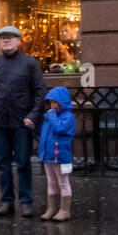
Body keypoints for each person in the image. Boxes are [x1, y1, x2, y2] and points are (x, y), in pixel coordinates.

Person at [0, 26, 47, 217]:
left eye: (10, 37)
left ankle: (25, 202)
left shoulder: (29, 63)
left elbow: (40, 92)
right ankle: (6, 202)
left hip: (22, 123)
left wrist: (32, 116)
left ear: (19, 41)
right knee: (2, 164)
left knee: (24, 163)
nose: (6, 41)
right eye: (3, 38)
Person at [37, 86, 76, 221]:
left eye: (56, 102)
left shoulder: (68, 117)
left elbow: (60, 128)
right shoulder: (51, 117)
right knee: (51, 182)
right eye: (51, 102)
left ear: (63, 102)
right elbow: (44, 135)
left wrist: (52, 116)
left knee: (63, 182)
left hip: (60, 156)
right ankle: (52, 208)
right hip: (49, 155)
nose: (53, 105)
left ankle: (65, 210)